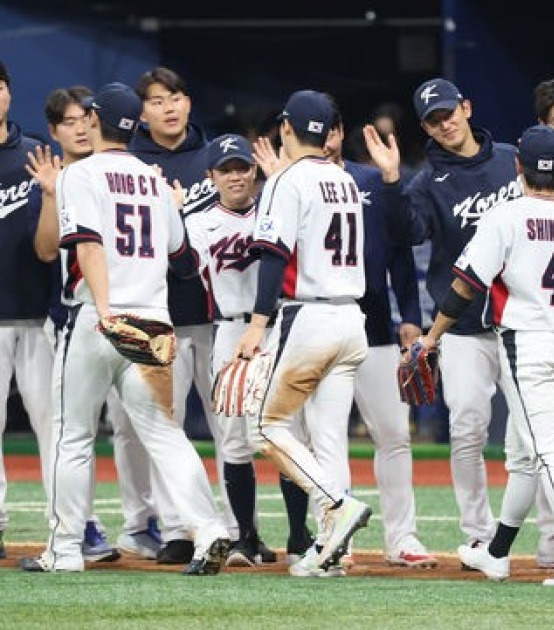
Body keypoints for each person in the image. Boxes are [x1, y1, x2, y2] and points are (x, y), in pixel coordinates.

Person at [19, 82, 232, 574]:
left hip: (99, 318)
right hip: (154, 320)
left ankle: (65, 550)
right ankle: (210, 528)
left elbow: (88, 247)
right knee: (165, 434)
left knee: (72, 435)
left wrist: (107, 309)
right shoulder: (155, 182)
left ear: (94, 121)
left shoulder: (80, 174)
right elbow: (184, 262)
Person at [451, 124, 554, 586]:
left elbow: (467, 283)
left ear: (517, 166)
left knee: (546, 452)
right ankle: (497, 552)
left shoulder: (506, 215)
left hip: (528, 343)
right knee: (522, 454)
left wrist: (432, 335)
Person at [236, 89, 373, 578]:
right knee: (329, 437)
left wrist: (256, 325)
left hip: (308, 316)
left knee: (266, 427)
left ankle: (337, 505)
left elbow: (272, 254)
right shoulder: (343, 180)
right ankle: (335, 553)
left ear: (287, 128)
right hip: (351, 319)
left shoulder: (287, 179)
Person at [400, 78, 520, 550]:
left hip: (517, 321)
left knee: (531, 436)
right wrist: (391, 183)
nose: (445, 123)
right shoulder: (427, 182)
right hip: (464, 328)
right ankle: (477, 534)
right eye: (433, 119)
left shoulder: (513, 159)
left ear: (467, 108)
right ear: (426, 129)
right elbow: (408, 234)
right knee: (467, 429)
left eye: (449, 112)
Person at [26, 85, 142, 565]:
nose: (78, 126)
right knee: (72, 429)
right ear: (54, 131)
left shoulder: (117, 173)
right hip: (78, 318)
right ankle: (83, 526)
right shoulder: (63, 177)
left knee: (134, 426)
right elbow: (46, 250)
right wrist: (52, 195)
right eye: (68, 121)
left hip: (126, 313)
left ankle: (146, 522)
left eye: (84, 117)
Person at [321, 95, 437, 568]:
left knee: (393, 433)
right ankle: (335, 539)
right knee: (324, 439)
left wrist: (409, 311)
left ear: (338, 132)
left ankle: (402, 537)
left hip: (373, 325)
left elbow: (401, 252)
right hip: (315, 324)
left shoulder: (372, 180)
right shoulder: (286, 184)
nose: (320, 139)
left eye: (326, 130)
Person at [127, 66, 219, 564]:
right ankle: (179, 530)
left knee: (232, 424)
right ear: (142, 111)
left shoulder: (216, 156)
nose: (170, 106)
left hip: (214, 313)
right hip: (156, 313)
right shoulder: (132, 162)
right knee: (167, 426)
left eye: (178, 96)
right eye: (159, 99)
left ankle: (240, 527)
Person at [182, 133, 279, 566]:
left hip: (276, 330)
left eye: (242, 167)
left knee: (285, 434)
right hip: (229, 333)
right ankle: (247, 536)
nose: (236, 176)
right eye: (226, 170)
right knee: (235, 442)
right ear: (211, 177)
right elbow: (184, 265)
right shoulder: (199, 223)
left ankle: (299, 533)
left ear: (254, 170)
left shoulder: (276, 211)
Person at [0, 59, 56, 562]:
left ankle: (67, 525)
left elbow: (52, 244)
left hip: (39, 316)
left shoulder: (37, 154)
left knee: (53, 423)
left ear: (8, 93)